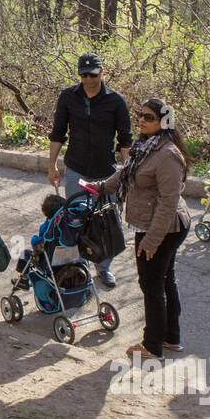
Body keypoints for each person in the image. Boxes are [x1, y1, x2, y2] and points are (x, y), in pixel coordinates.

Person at [87, 98, 192, 360]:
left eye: (149, 117)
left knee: (152, 283)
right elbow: (125, 174)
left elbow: (169, 201)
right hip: (154, 224)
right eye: (140, 115)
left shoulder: (167, 154)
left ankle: (152, 347)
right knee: (164, 279)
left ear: (164, 122)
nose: (142, 120)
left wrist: (152, 241)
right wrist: (100, 187)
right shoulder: (145, 145)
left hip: (164, 227)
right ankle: (170, 338)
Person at [46, 52, 132, 287]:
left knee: (106, 221)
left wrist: (127, 172)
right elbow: (58, 132)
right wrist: (52, 164)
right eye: (83, 75)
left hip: (106, 172)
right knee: (75, 219)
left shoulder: (116, 101)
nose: (88, 79)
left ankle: (104, 268)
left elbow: (125, 140)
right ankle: (78, 268)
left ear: (102, 72)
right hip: (76, 169)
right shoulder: (68, 97)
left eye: (92, 74)